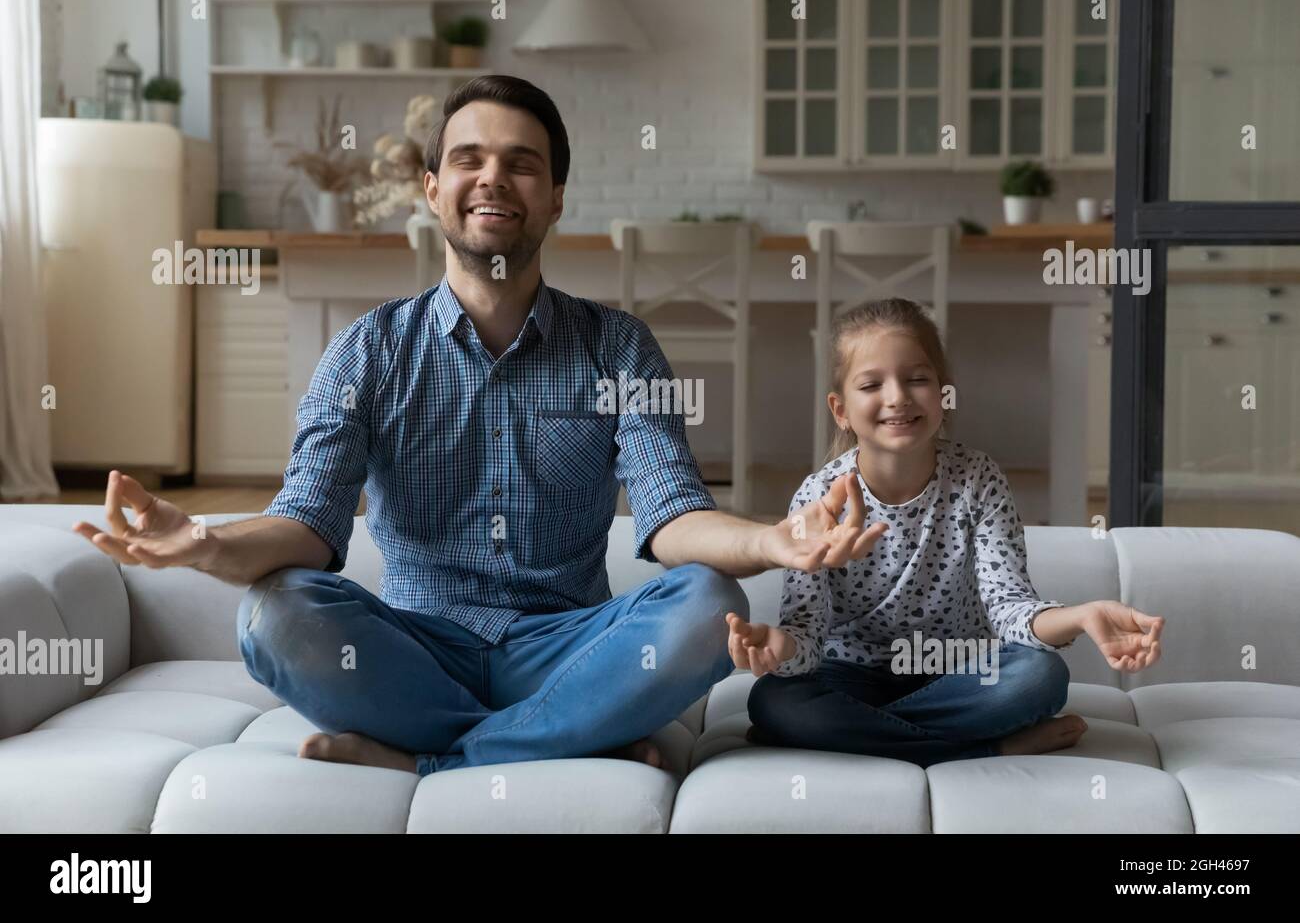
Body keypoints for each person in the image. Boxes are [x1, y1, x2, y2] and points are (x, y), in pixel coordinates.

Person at [73, 75, 886, 776]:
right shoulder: (367, 350)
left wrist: (775, 540)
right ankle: (567, 740)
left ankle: (431, 755)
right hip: (415, 649)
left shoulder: (618, 345)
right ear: (433, 188)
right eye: (469, 159)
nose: (493, 179)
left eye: (522, 164)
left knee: (708, 600)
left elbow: (673, 515)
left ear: (556, 197)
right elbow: (308, 525)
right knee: (272, 613)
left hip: (570, 647)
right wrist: (210, 545)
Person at [727, 297, 1165, 766]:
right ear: (841, 410)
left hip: (953, 671)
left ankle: (852, 734)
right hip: (847, 675)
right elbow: (807, 637)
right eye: (872, 384)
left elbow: (1009, 608)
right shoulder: (817, 497)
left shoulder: (978, 479)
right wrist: (782, 646)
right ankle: (986, 747)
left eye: (917, 379)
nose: (897, 397)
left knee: (1040, 676)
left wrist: (1082, 615)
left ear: (943, 393)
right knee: (774, 699)